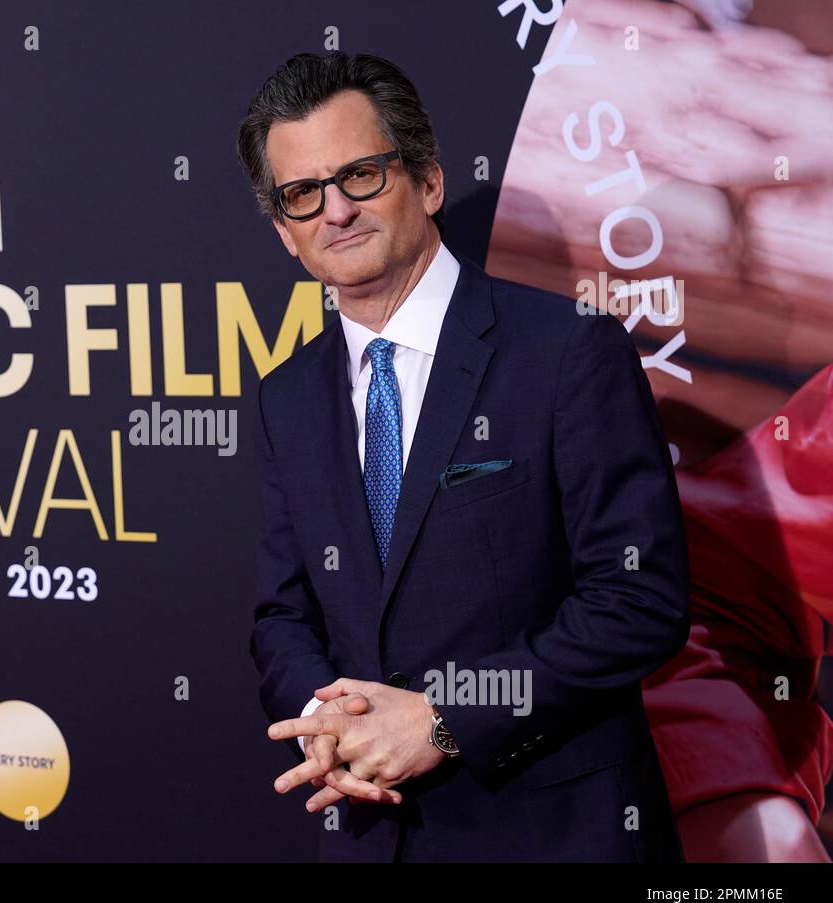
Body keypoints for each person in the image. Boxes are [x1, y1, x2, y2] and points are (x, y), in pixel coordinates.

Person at [238, 52, 691, 861]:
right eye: (303, 194)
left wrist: (446, 720)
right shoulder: (286, 396)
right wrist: (326, 723)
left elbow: (637, 601)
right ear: (284, 232)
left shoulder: (566, 353)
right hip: (371, 832)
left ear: (429, 183)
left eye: (362, 176)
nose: (335, 211)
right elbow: (283, 612)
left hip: (552, 832)